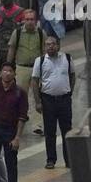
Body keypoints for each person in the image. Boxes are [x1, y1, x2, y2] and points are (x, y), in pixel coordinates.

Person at [31, 35, 75, 169]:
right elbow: (34, 81)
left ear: (58, 45)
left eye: (53, 44)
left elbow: (72, 76)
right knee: (50, 132)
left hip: (64, 100)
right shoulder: (40, 60)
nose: (50, 47)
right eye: (48, 44)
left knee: (67, 130)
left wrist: (69, 92)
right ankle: (51, 159)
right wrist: (38, 102)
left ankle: (69, 160)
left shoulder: (67, 58)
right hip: (48, 100)